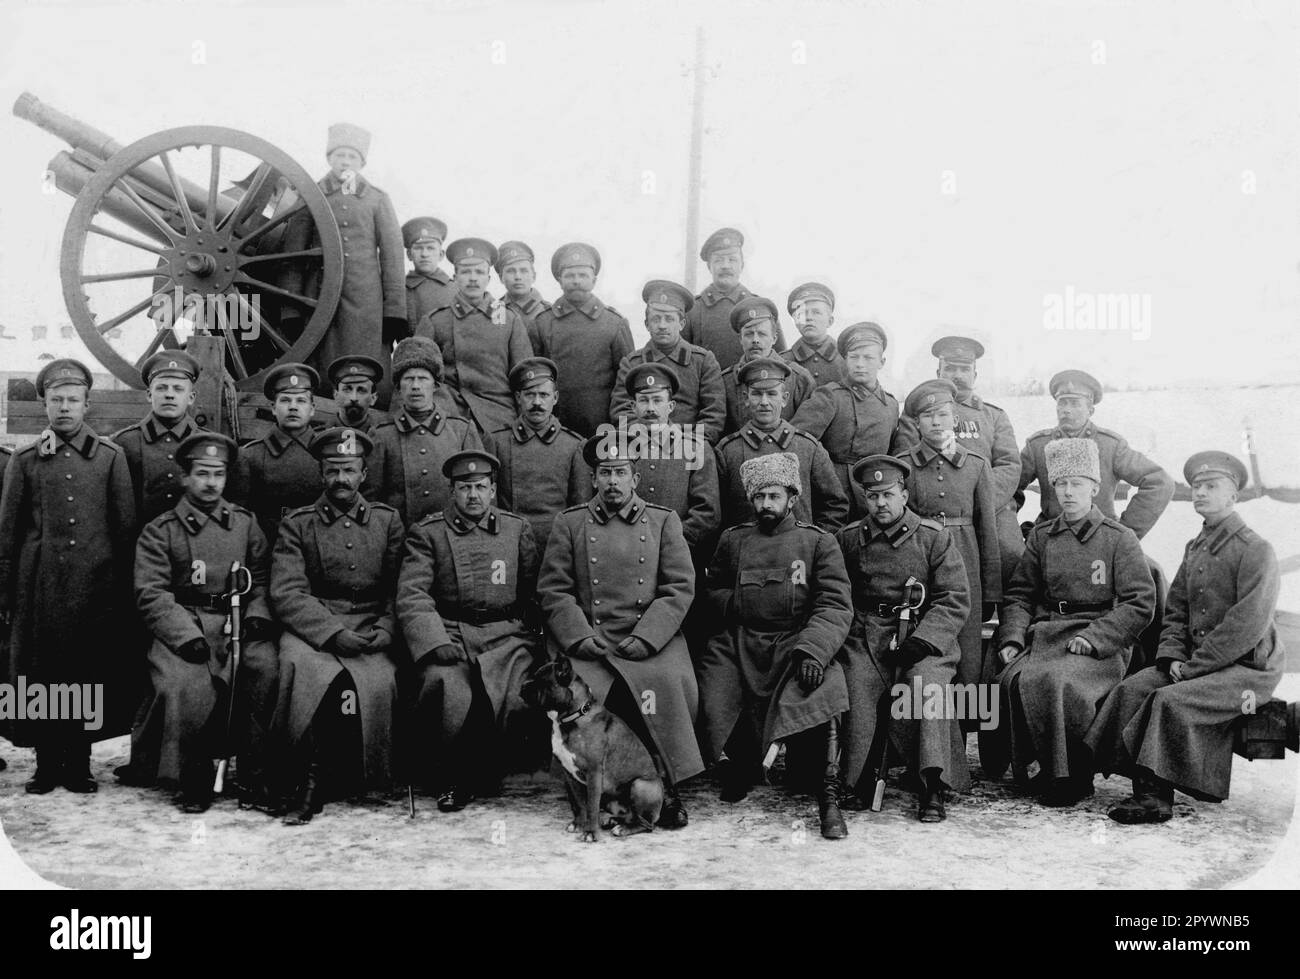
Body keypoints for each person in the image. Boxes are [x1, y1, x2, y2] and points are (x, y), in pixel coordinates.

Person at [1086, 451, 1285, 824]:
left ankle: (1154, 798)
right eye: (1196, 487)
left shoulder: (1255, 550)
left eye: (1211, 487)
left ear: (1233, 497)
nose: (1200, 493)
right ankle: (1096, 770)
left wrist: (1194, 668)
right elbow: (1176, 611)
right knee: (1133, 689)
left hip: (1245, 668)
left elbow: (1246, 624)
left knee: (1168, 701)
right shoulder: (1195, 548)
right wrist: (1172, 658)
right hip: (1194, 662)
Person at [538, 435, 703, 827]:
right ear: (594, 479)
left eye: (621, 473)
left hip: (648, 637)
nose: (613, 482)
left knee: (665, 684)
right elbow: (553, 588)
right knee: (577, 691)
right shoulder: (571, 522)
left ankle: (666, 789)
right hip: (589, 638)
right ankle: (590, 788)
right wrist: (578, 635)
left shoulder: (664, 521)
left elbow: (679, 587)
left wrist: (648, 636)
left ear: (636, 477)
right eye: (605, 474)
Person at [699, 453, 854, 839]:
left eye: (774, 496)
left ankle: (828, 792)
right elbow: (711, 590)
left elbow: (834, 603)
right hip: (741, 641)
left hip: (795, 641)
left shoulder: (818, 542)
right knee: (714, 685)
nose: (766, 504)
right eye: (759, 497)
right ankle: (743, 763)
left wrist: (815, 650)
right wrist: (738, 603)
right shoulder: (734, 540)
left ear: (792, 497)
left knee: (826, 688)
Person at [0, 360, 137, 792]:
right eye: (56, 399)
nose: (64, 407)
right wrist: (7, 595)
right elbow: (9, 533)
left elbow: (125, 530)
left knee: (87, 671)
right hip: (38, 588)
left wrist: (122, 592)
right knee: (41, 676)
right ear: (44, 403)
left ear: (86, 403)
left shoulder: (110, 458)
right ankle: (46, 763)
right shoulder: (24, 460)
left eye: (72, 400)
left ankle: (78, 762)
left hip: (95, 588)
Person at [994, 438, 1156, 805]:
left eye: (1077, 484)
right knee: (1010, 677)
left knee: (1059, 681)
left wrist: (1097, 638)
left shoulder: (1119, 539)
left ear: (1095, 489)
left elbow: (1139, 601)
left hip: (1099, 639)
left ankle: (1074, 776)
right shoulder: (1042, 536)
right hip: (1048, 631)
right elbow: (1021, 594)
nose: (1068, 493)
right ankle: (1044, 767)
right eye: (1061, 484)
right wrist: (1012, 638)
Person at [129, 433, 278, 812]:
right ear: (185, 478)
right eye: (202, 474)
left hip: (237, 620)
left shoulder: (245, 524)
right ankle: (190, 776)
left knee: (265, 669)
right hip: (185, 625)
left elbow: (261, 578)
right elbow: (151, 591)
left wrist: (257, 617)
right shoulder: (162, 530)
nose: (211, 483)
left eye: (218, 474)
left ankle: (256, 772)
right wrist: (183, 636)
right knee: (184, 683)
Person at [270, 427, 406, 824]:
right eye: (332, 471)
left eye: (349, 470)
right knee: (300, 668)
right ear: (321, 474)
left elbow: (403, 587)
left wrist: (387, 627)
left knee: (379, 679)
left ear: (363, 474)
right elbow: (288, 591)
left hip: (370, 625)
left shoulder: (387, 521)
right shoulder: (298, 524)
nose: (341, 480)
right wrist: (331, 633)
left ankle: (366, 776)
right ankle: (305, 781)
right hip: (314, 627)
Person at [398, 450, 541, 811]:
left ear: (493, 490)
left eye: (480, 487)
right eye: (465, 488)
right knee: (447, 687)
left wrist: (531, 633)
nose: (473, 495)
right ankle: (451, 775)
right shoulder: (428, 533)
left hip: (506, 633)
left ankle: (490, 770)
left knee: (512, 689)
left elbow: (531, 591)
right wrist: (434, 640)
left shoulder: (515, 529)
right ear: (453, 492)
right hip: (450, 630)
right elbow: (412, 594)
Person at [835, 456, 971, 822]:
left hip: (923, 635)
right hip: (865, 634)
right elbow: (835, 595)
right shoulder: (848, 539)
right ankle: (857, 776)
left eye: (889, 495)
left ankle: (932, 783)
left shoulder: (933, 537)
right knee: (855, 682)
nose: (881, 503)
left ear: (904, 494)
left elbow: (954, 598)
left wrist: (923, 641)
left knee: (926, 686)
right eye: (873, 496)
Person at [896, 379, 1001, 697]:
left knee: (968, 654)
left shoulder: (977, 465)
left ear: (955, 418)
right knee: (926, 645)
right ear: (916, 423)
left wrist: (991, 591)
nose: (937, 422)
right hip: (923, 567)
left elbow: (988, 532)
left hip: (967, 564)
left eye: (942, 414)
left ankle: (962, 731)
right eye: (928, 416)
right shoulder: (903, 465)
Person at [892, 335, 1023, 588]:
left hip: (991, 504)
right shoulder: (917, 415)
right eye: (951, 368)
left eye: (965, 369)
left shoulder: (993, 416)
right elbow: (905, 464)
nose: (958, 375)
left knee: (1011, 553)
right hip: (935, 502)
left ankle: (1007, 624)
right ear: (939, 371)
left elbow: (1009, 465)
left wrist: (980, 501)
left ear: (975, 374)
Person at [286, 123, 406, 400]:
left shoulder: (377, 199)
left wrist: (394, 311)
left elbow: (392, 258)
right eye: (340, 155)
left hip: (366, 303)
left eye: (352, 157)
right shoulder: (310, 196)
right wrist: (290, 309)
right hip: (318, 299)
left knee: (367, 366)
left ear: (361, 163)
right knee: (322, 368)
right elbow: (292, 255)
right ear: (329, 158)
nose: (345, 162)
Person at [1018, 369, 1173, 540]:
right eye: (1062, 403)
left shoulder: (1110, 446)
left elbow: (1159, 482)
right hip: (1050, 538)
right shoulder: (1038, 445)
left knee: (1151, 568)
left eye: (1075, 403)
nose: (1066, 410)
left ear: (1090, 410)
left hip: (1099, 538)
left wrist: (1125, 533)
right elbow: (1010, 487)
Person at [414, 237, 533, 436]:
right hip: (449, 418)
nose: (472, 278)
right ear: (455, 277)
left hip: (498, 419)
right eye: (466, 272)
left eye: (479, 272)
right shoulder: (435, 320)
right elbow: (415, 375)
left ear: (488, 278)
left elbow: (524, 378)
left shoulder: (507, 318)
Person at [715, 358, 849, 530]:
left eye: (772, 394)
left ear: (784, 398)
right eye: (756, 394)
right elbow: (716, 512)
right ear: (745, 398)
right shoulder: (727, 451)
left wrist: (814, 544)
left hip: (798, 553)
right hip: (745, 552)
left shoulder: (808, 448)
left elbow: (835, 506)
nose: (764, 402)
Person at [363, 336, 483, 527]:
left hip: (451, 538)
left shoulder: (461, 431)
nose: (416, 386)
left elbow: (481, 496)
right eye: (408, 379)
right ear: (398, 387)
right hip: (401, 539)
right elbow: (371, 502)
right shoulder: (381, 436)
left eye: (423, 378)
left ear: (435, 386)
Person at [791, 321, 900, 517]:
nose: (860, 364)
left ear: (881, 362)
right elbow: (797, 443)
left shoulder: (890, 405)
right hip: (832, 493)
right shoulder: (830, 396)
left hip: (875, 495)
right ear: (845, 360)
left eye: (868, 358)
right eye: (854, 357)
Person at [617, 363, 720, 561]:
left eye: (657, 400)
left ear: (671, 406)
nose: (651, 408)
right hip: (626, 555)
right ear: (632, 406)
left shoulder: (695, 448)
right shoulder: (618, 447)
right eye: (644, 401)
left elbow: (707, 513)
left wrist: (671, 544)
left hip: (679, 555)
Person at [530, 242, 634, 436]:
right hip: (555, 425)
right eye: (570, 275)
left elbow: (627, 383)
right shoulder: (542, 323)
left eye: (583, 275)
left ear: (594, 280)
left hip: (602, 426)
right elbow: (532, 379)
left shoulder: (614, 323)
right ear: (560, 280)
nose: (576, 281)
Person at [484, 357, 590, 548]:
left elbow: (579, 510)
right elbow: (490, 504)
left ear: (555, 398)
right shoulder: (497, 442)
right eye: (529, 395)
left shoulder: (574, 445)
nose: (537, 402)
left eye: (544, 395)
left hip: (556, 544)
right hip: (510, 542)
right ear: (518, 398)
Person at [609, 280, 726, 445]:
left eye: (669, 319)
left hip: (689, 448)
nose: (662, 326)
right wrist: (645, 441)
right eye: (656, 319)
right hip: (643, 448)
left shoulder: (703, 361)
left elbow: (714, 415)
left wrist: (688, 444)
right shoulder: (632, 363)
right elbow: (621, 411)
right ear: (647, 324)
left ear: (682, 324)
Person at [227, 363, 324, 545]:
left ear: (312, 409)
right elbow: (239, 518)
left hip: (318, 545)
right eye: (285, 400)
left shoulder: (325, 454)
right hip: (269, 547)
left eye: (301, 401)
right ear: (273, 408)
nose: (293, 407)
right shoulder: (250, 456)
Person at [111, 349, 208, 526]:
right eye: (161, 388)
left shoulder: (206, 442)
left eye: (178, 389)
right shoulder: (124, 443)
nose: (169, 394)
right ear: (149, 394)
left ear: (191, 397)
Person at [683, 227, 785, 369]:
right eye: (719, 260)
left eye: (732, 260)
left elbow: (780, 361)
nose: (726, 266)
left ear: (741, 265)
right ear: (709, 267)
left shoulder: (762, 308)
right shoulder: (693, 309)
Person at [719, 296, 816, 434]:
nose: (755, 340)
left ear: (774, 338)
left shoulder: (799, 378)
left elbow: (808, 432)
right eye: (748, 334)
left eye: (762, 334)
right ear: (740, 339)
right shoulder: (725, 381)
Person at [781, 282, 845, 387]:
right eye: (802, 314)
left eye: (816, 312)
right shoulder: (783, 361)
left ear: (830, 321)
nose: (809, 318)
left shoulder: (846, 359)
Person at [402, 216, 454, 328]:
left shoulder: (456, 290)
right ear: (409, 255)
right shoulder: (400, 290)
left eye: (430, 248)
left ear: (441, 255)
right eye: (418, 248)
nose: (424, 254)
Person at [496, 241, 551, 334]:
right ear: (501, 277)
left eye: (524, 271)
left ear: (533, 276)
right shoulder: (494, 311)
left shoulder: (548, 312)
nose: (518, 277)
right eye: (511, 271)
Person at [326, 355, 390, 435]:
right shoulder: (320, 435)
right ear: (336, 395)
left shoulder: (384, 437)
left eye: (362, 390)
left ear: (373, 398)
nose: (354, 397)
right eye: (347, 389)